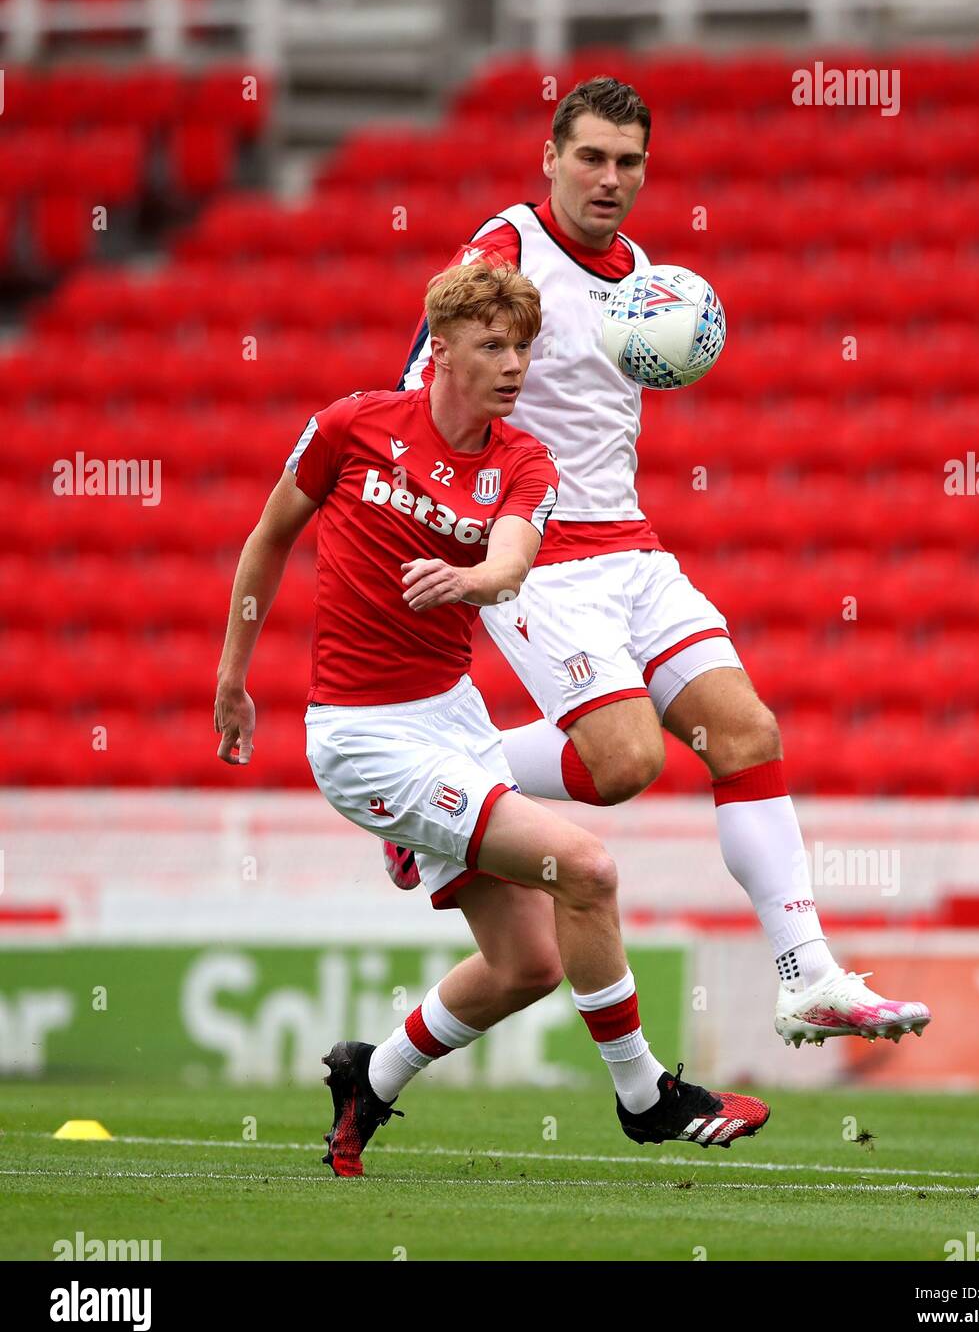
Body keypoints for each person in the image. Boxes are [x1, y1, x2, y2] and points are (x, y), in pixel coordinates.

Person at [388, 76, 931, 1051]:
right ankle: (433, 781)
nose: (608, 177)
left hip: (632, 547)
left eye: (628, 161)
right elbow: (419, 386)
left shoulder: (644, 273)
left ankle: (807, 976)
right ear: (549, 157)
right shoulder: (503, 250)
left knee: (746, 731)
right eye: (589, 156)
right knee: (626, 762)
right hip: (539, 556)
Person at [214, 259, 770, 1177]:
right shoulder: (350, 426)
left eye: (524, 346)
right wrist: (234, 676)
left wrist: (473, 580)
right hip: (362, 733)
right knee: (586, 868)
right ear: (440, 350)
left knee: (529, 967)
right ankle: (645, 1101)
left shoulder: (523, 460)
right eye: (493, 345)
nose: (515, 364)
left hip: (455, 721)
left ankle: (370, 1076)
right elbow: (271, 534)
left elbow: (511, 561)